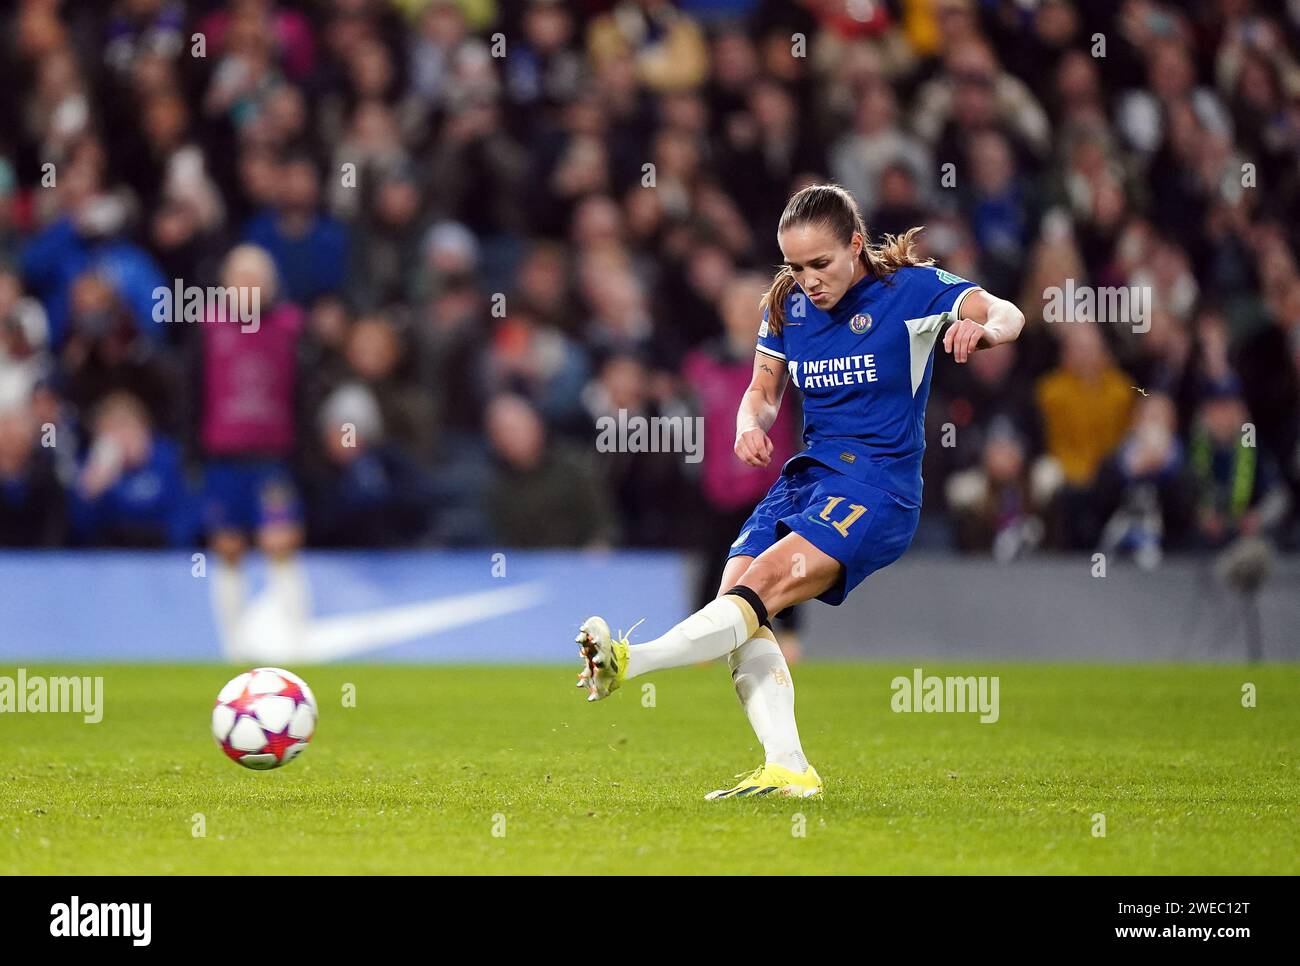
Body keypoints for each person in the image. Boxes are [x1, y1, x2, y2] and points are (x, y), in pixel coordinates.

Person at [573, 183, 1024, 800]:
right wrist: (746, 424)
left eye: (820, 264)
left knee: (757, 592)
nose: (807, 279)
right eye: (794, 266)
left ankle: (629, 661)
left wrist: (985, 333)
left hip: (878, 488)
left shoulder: (912, 291)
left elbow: (1008, 312)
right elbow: (762, 391)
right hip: (806, 478)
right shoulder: (787, 304)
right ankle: (787, 766)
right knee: (737, 608)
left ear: (856, 246)